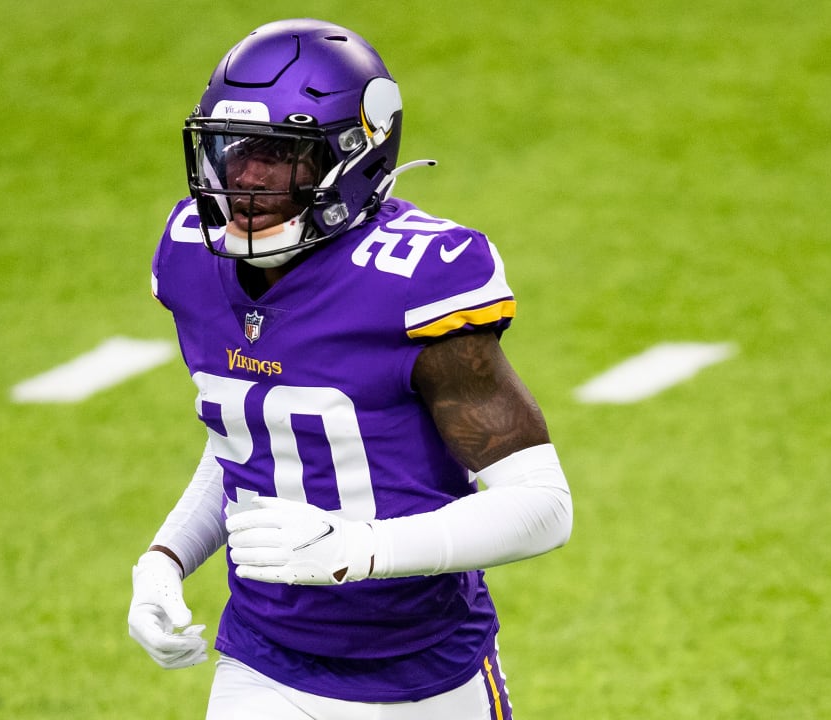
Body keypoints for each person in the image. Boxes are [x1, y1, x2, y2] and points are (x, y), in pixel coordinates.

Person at [128, 18, 573, 720]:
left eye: (279, 155)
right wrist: (164, 560)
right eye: (229, 150)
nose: (244, 179)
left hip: (426, 673)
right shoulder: (191, 255)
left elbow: (543, 507)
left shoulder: (414, 280)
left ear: (354, 155)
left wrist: (362, 549)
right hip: (265, 663)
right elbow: (249, 440)